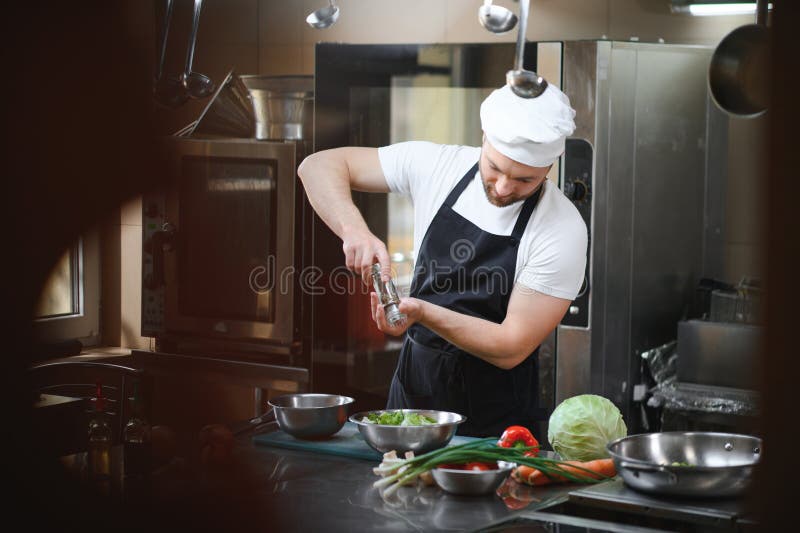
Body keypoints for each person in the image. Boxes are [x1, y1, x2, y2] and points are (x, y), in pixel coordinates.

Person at [298, 83, 587, 436]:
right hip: (413, 393)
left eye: (524, 179)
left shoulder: (562, 228)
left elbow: (510, 346)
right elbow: (317, 166)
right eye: (494, 168)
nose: (503, 188)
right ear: (484, 138)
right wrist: (353, 228)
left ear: (549, 166)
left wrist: (421, 312)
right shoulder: (439, 166)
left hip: (494, 421)